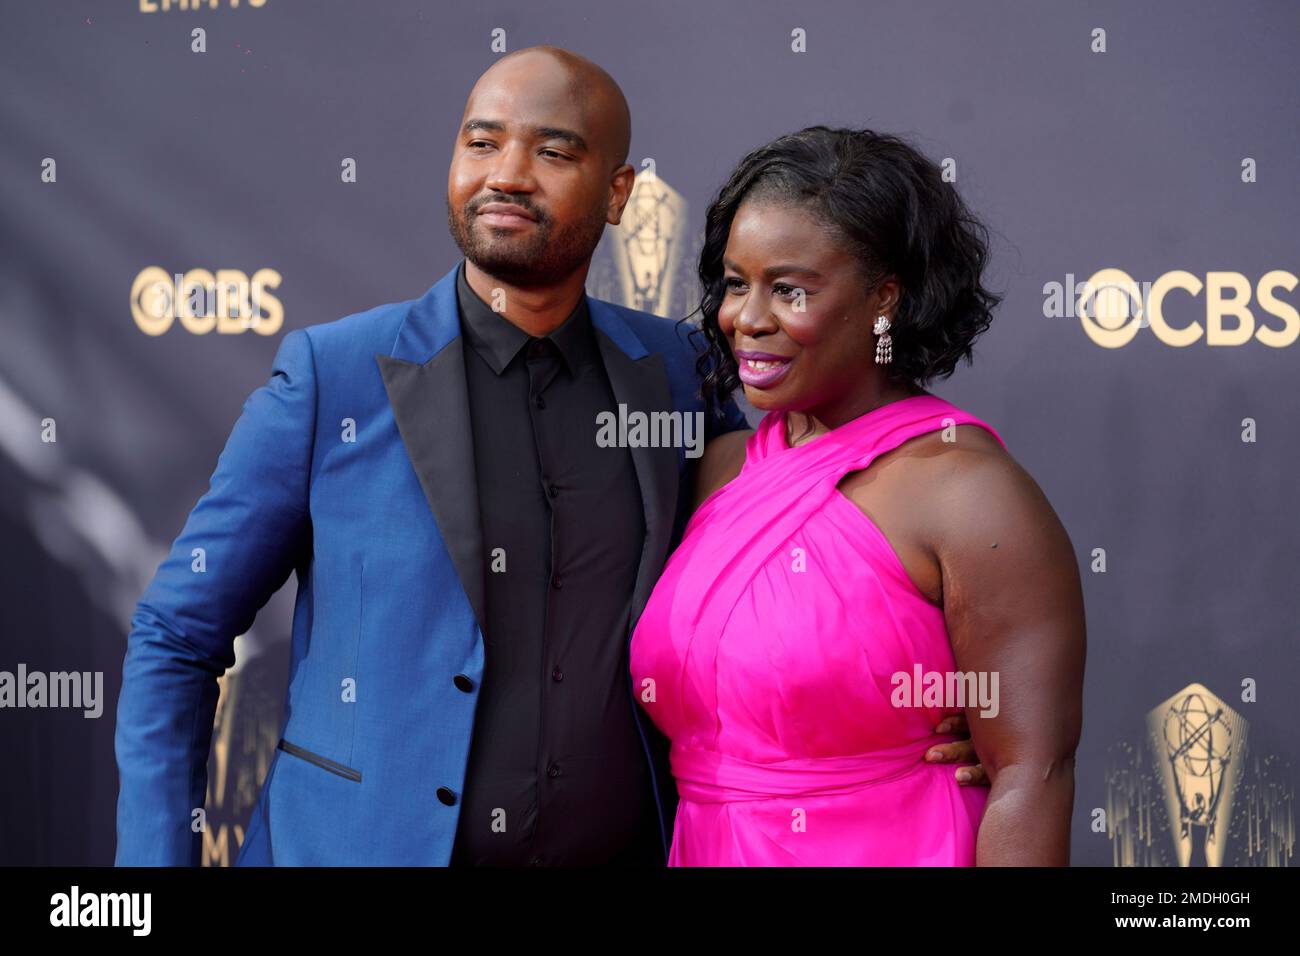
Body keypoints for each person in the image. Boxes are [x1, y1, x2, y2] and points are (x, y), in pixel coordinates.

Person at [114, 48, 988, 867]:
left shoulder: (683, 375)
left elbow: (826, 527)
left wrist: (927, 719)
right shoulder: (332, 378)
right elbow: (175, 635)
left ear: (618, 194)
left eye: (551, 151)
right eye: (481, 141)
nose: (506, 174)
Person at [630, 127, 1086, 865]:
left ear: (884, 298)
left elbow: (1032, 773)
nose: (746, 318)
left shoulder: (969, 494)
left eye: (789, 289)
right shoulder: (721, 469)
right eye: (736, 282)